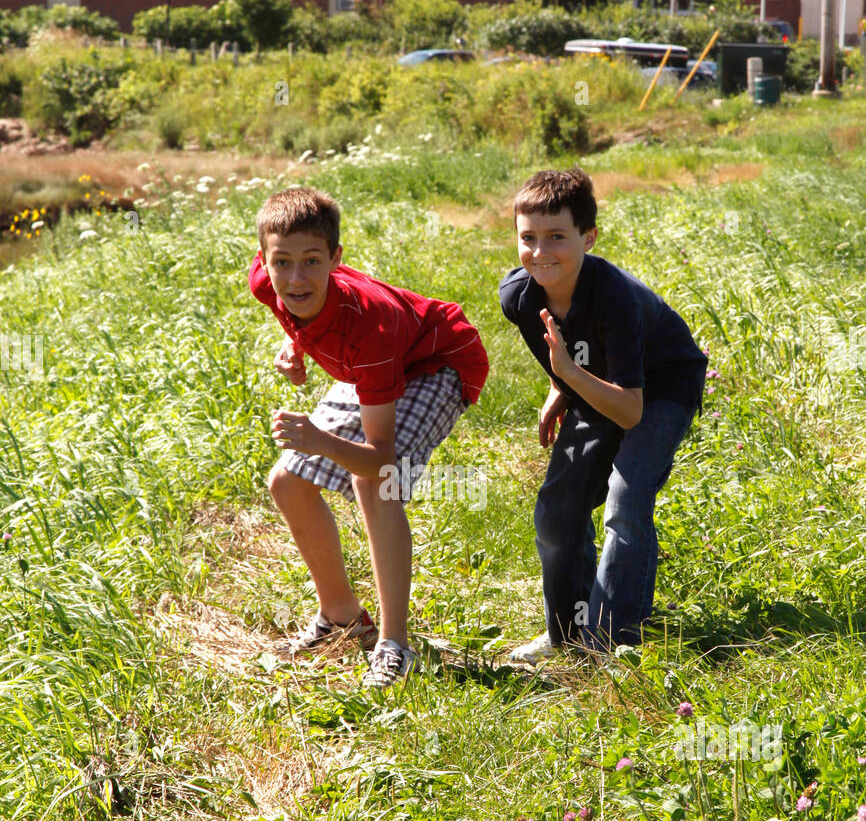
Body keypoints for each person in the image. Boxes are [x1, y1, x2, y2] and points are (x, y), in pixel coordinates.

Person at [249, 186, 488, 687]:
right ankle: (342, 617)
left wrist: (320, 439)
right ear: (264, 258)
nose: (295, 277)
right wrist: (296, 343)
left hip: (436, 363)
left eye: (312, 262)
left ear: (336, 258)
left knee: (374, 484)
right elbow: (298, 300)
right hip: (376, 363)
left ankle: (395, 646)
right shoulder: (267, 281)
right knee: (287, 482)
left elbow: (383, 461)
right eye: (282, 262)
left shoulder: (370, 332)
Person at [500, 166, 707, 663]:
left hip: (659, 388)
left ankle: (612, 639)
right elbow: (561, 353)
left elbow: (632, 411)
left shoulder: (614, 298)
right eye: (528, 238)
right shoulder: (519, 297)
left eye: (557, 237)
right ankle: (567, 634)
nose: (540, 252)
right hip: (594, 383)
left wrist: (569, 377)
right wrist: (560, 386)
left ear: (588, 237)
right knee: (557, 510)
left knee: (626, 496)